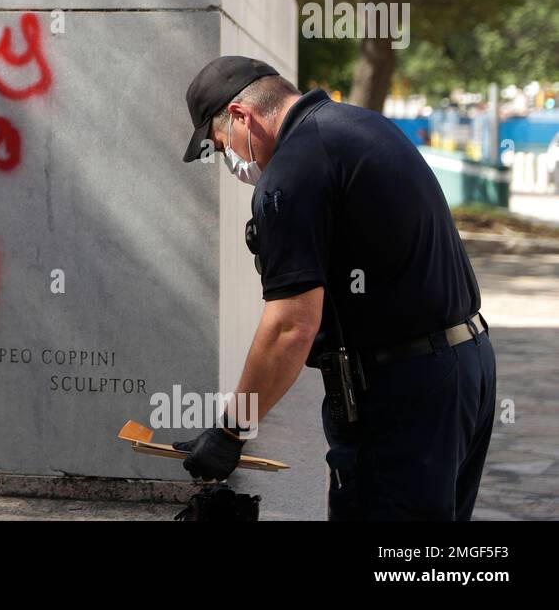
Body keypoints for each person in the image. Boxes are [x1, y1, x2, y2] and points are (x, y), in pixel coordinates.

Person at [173, 55, 497, 520]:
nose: (227, 159)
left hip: (402, 393)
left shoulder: (291, 172)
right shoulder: (359, 126)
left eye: (220, 144)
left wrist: (231, 431)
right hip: (464, 367)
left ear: (242, 117)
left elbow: (291, 326)